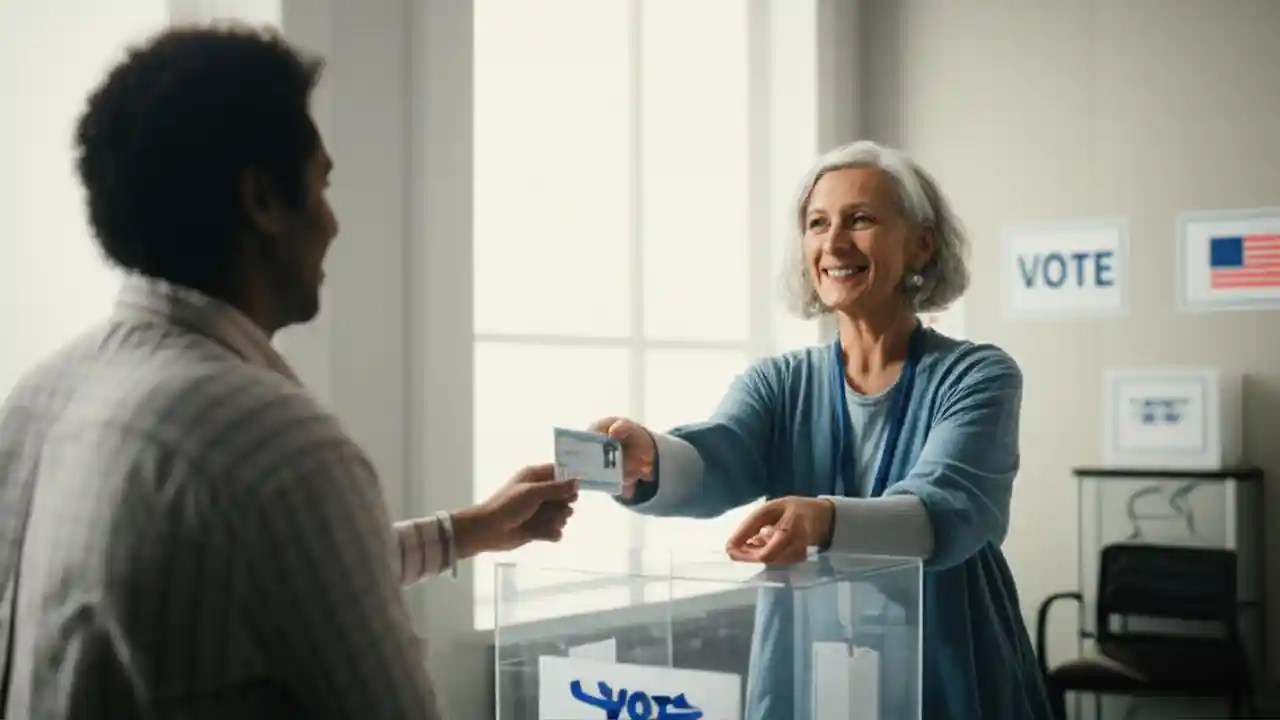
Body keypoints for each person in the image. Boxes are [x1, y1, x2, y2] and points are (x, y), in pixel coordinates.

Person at [0, 26, 576, 719]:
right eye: (321, 183)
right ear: (263, 201)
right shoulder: (277, 445)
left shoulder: (40, 398)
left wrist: (470, 530)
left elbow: (273, 580)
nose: (333, 223)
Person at [591, 140, 1053, 719]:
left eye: (860, 220)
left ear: (921, 244)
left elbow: (950, 509)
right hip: (804, 667)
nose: (833, 243)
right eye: (817, 224)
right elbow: (720, 454)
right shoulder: (779, 382)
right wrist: (652, 459)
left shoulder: (977, 374)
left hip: (947, 660)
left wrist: (822, 519)